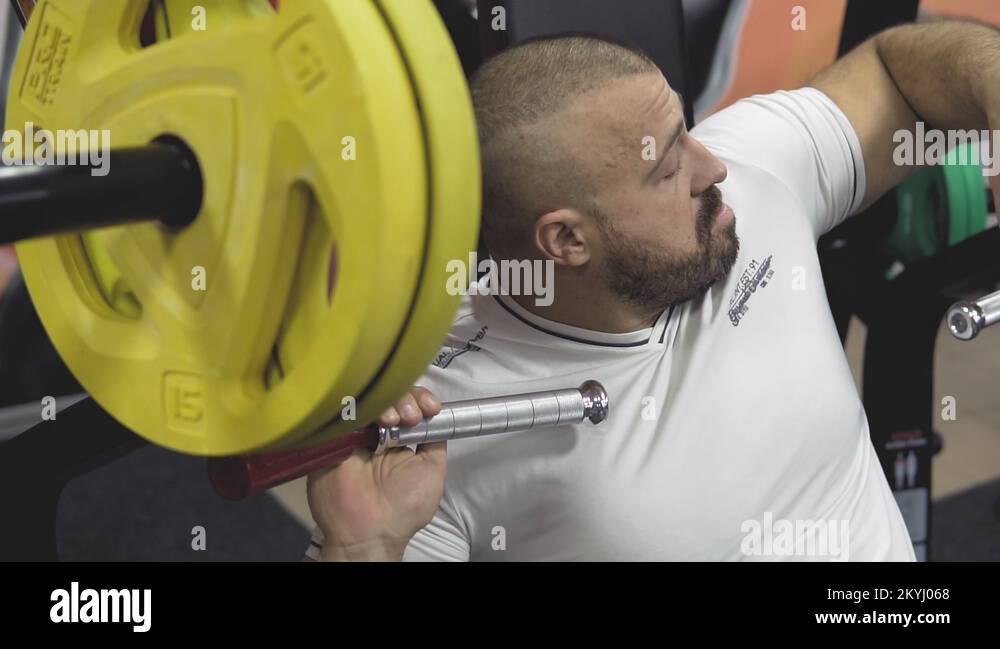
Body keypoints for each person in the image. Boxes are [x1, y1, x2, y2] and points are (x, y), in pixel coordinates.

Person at [306, 21, 1000, 561]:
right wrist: (361, 547)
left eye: (684, 131)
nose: (714, 165)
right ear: (566, 242)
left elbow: (898, 74)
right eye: (669, 167)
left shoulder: (749, 179)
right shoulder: (438, 424)